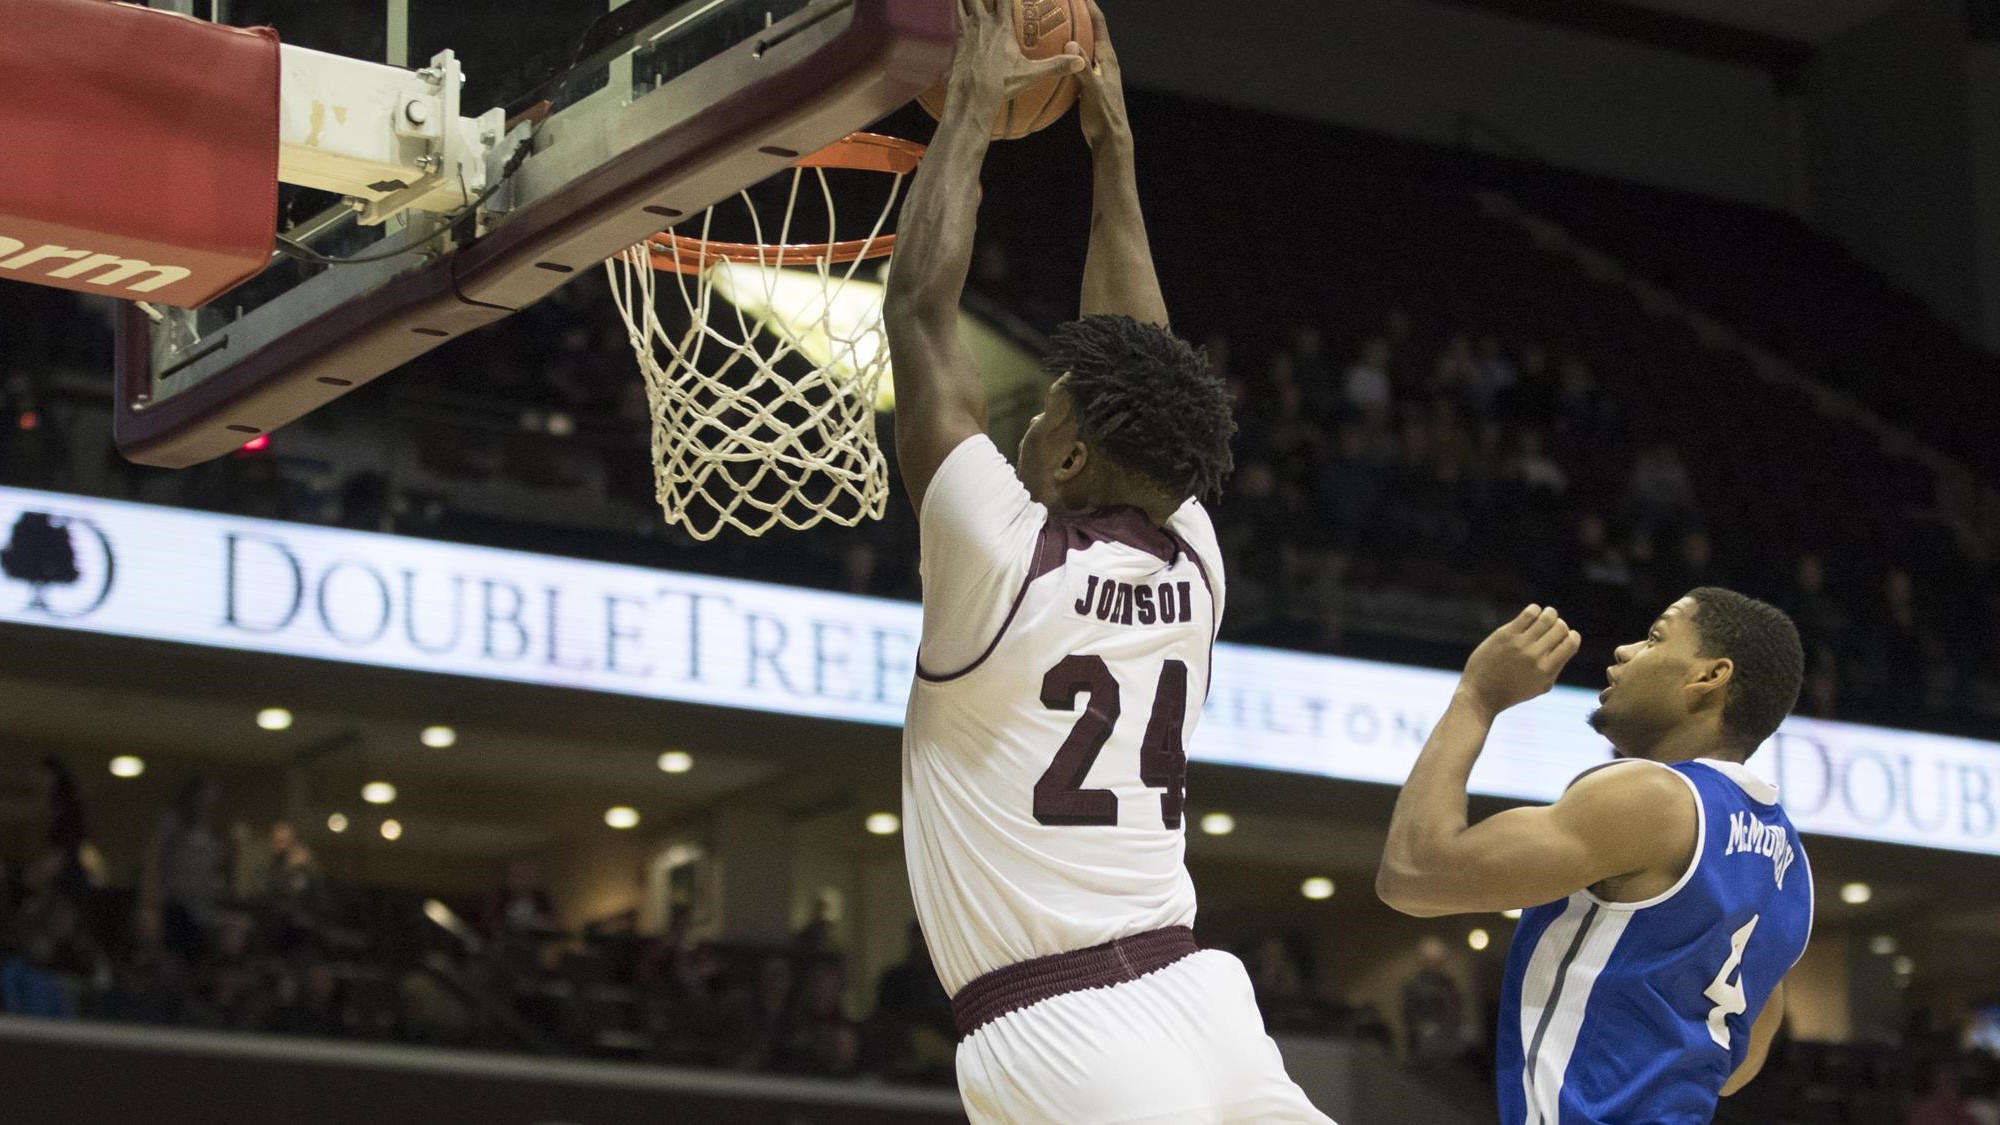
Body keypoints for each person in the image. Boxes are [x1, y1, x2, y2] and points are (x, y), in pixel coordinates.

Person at [882, 2, 1329, 1120]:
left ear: (1073, 453)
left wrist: (976, 104)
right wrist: (1111, 148)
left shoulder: (999, 553)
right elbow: (1143, 358)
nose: (1029, 417)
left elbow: (920, 313)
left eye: (1048, 409)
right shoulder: (1193, 551)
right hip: (1199, 993)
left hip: (1055, 1027)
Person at [1377, 589, 1813, 1125]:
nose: (1624, 652)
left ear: (1710, 676)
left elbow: (1414, 874)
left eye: (1654, 637)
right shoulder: (1789, 864)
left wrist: (1477, 696)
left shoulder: (1652, 796)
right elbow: (1737, 1066)